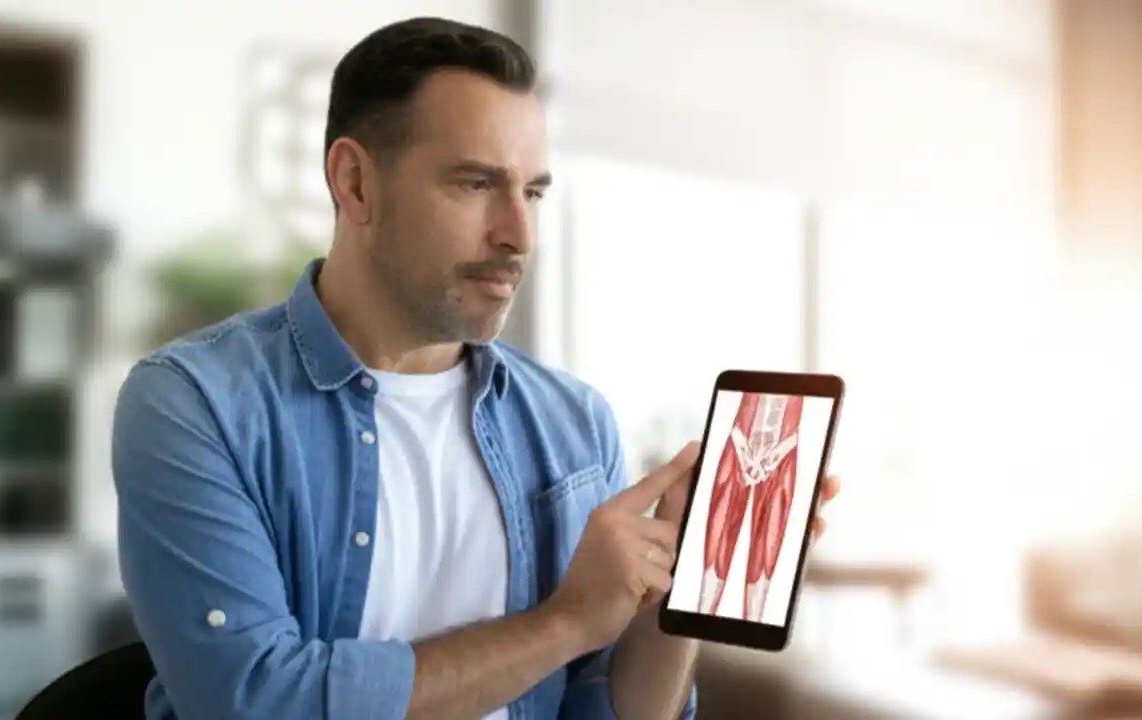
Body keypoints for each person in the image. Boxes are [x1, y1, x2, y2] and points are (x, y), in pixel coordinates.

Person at [112, 16, 840, 720]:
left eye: (532, 191)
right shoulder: (195, 404)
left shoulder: (573, 421)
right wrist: (567, 622)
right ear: (354, 182)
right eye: (474, 184)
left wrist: (680, 591)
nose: (518, 235)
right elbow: (259, 704)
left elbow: (600, 711)